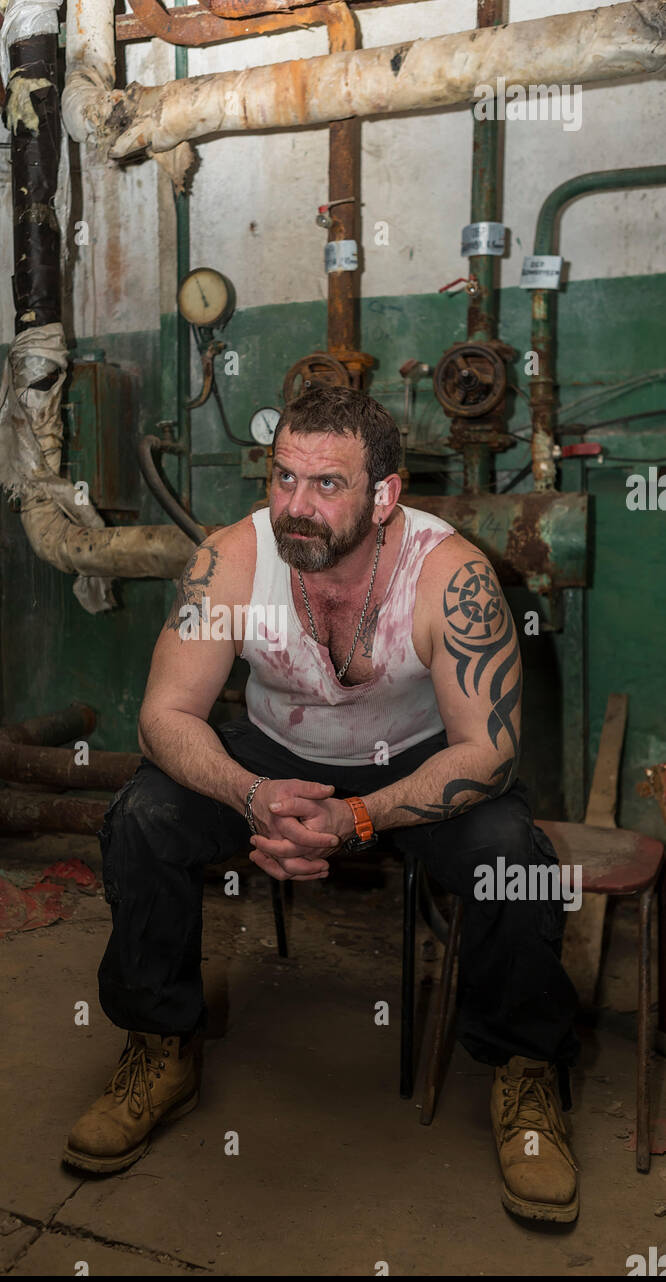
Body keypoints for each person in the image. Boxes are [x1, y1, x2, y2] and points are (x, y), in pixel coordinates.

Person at [62, 385, 580, 1224]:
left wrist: (360, 817)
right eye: (283, 478)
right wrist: (252, 793)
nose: (295, 507)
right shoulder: (233, 556)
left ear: (384, 495)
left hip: (416, 759)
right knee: (143, 817)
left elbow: (488, 749)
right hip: (272, 754)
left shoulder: (450, 576)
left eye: (326, 484)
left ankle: (526, 1073)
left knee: (514, 858)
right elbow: (164, 716)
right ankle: (160, 1046)